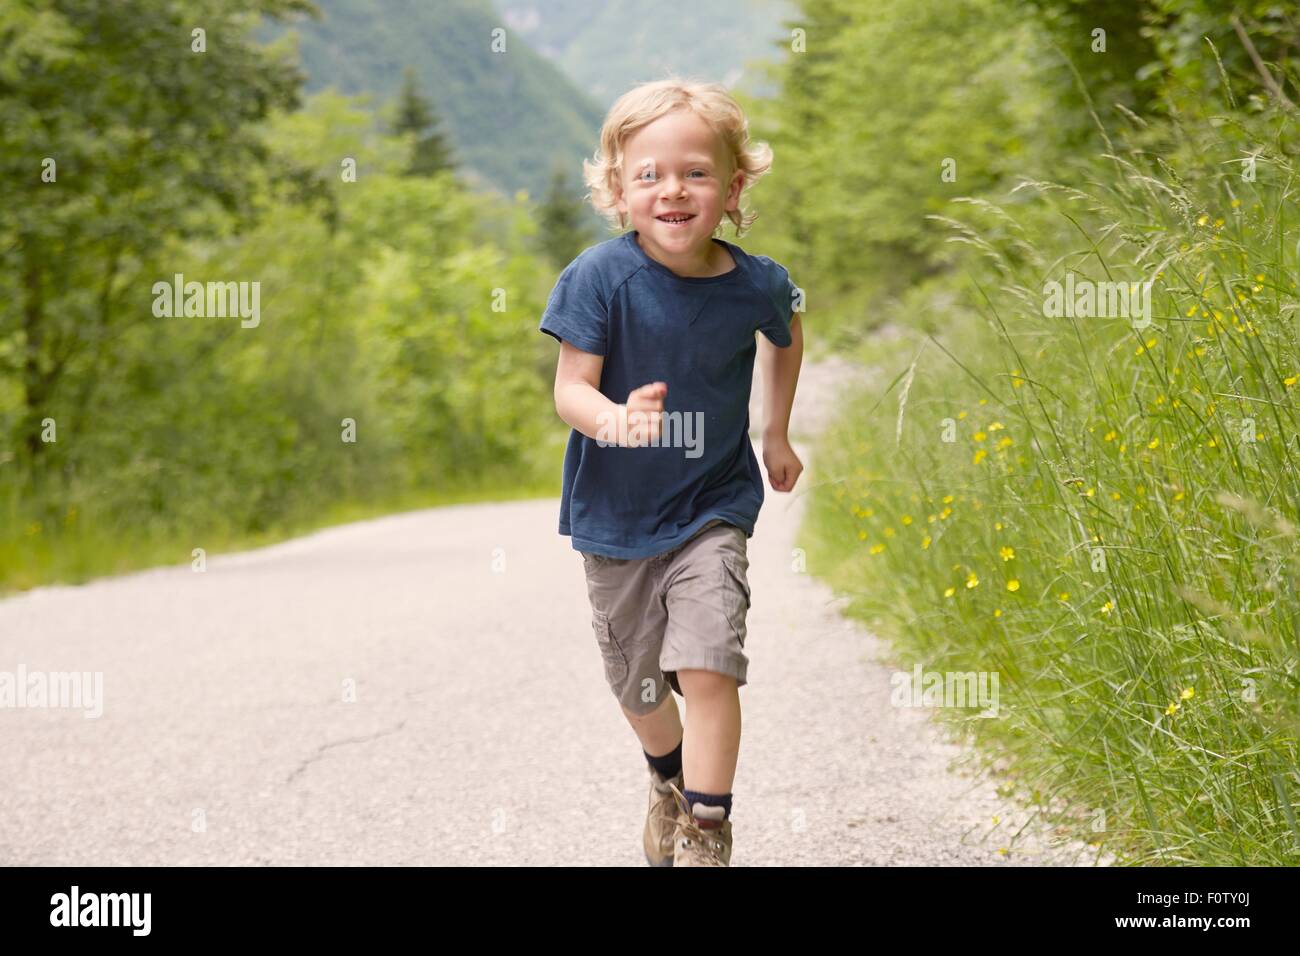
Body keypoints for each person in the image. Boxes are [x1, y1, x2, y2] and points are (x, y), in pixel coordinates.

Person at [537, 76, 804, 866]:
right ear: (619, 191)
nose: (673, 190)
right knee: (639, 687)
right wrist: (612, 420)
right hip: (615, 521)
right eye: (649, 175)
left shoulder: (756, 282)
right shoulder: (598, 278)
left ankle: (706, 831)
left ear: (733, 188)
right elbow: (570, 389)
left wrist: (775, 431)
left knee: (709, 663)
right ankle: (669, 777)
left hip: (713, 508)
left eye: (696, 172)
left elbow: (787, 326)